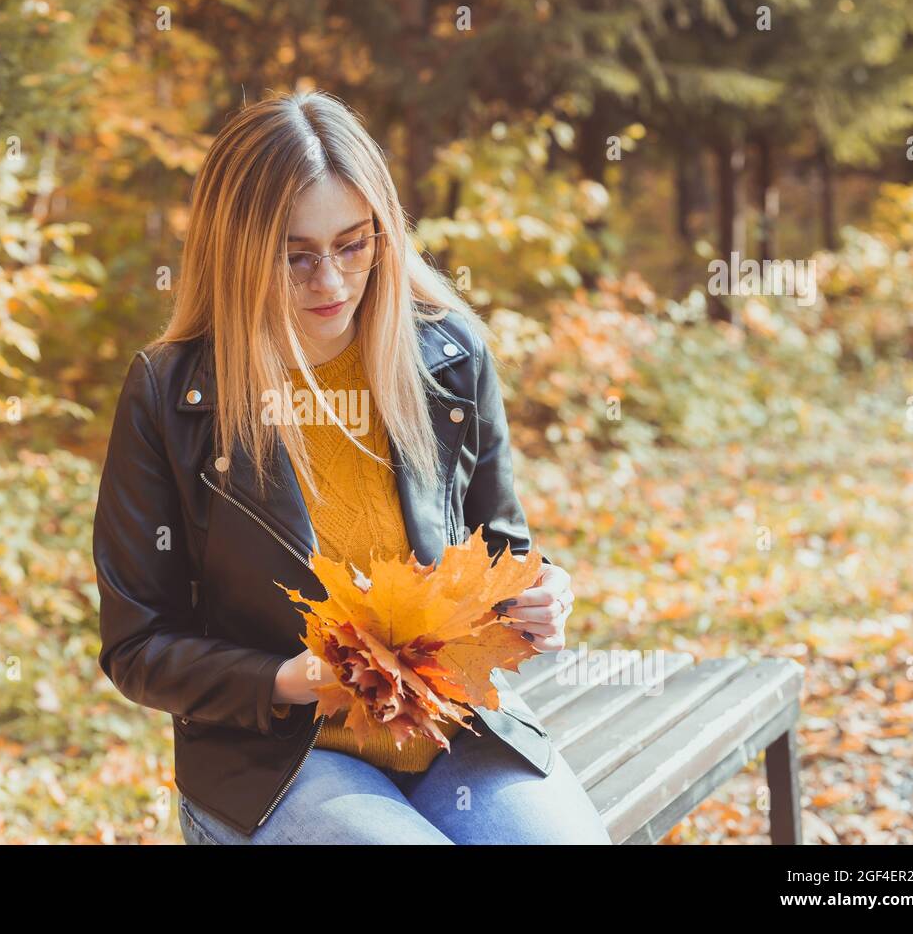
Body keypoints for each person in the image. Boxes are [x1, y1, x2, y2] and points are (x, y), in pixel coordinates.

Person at [92, 89, 611, 844]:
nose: (329, 283)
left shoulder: (449, 356)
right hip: (278, 760)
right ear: (235, 250)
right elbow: (137, 645)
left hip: (451, 729)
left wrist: (539, 597)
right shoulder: (172, 394)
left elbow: (500, 551)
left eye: (352, 244)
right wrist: (293, 680)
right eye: (294, 255)